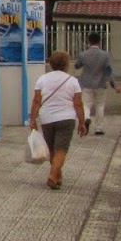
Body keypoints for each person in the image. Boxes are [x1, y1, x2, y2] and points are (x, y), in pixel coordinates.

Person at [29, 50, 88, 190]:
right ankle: (52, 174)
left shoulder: (42, 79)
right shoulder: (73, 81)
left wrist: (32, 119)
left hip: (47, 118)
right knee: (61, 149)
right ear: (67, 64)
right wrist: (82, 122)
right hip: (66, 118)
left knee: (52, 149)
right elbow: (78, 104)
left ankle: (57, 176)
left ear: (51, 63)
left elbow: (37, 101)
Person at [73, 34, 117, 135]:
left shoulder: (83, 54)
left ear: (89, 41)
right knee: (100, 105)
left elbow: (77, 66)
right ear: (99, 42)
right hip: (100, 83)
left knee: (86, 104)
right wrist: (113, 84)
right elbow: (108, 70)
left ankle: (87, 118)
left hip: (86, 83)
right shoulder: (105, 55)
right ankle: (99, 128)